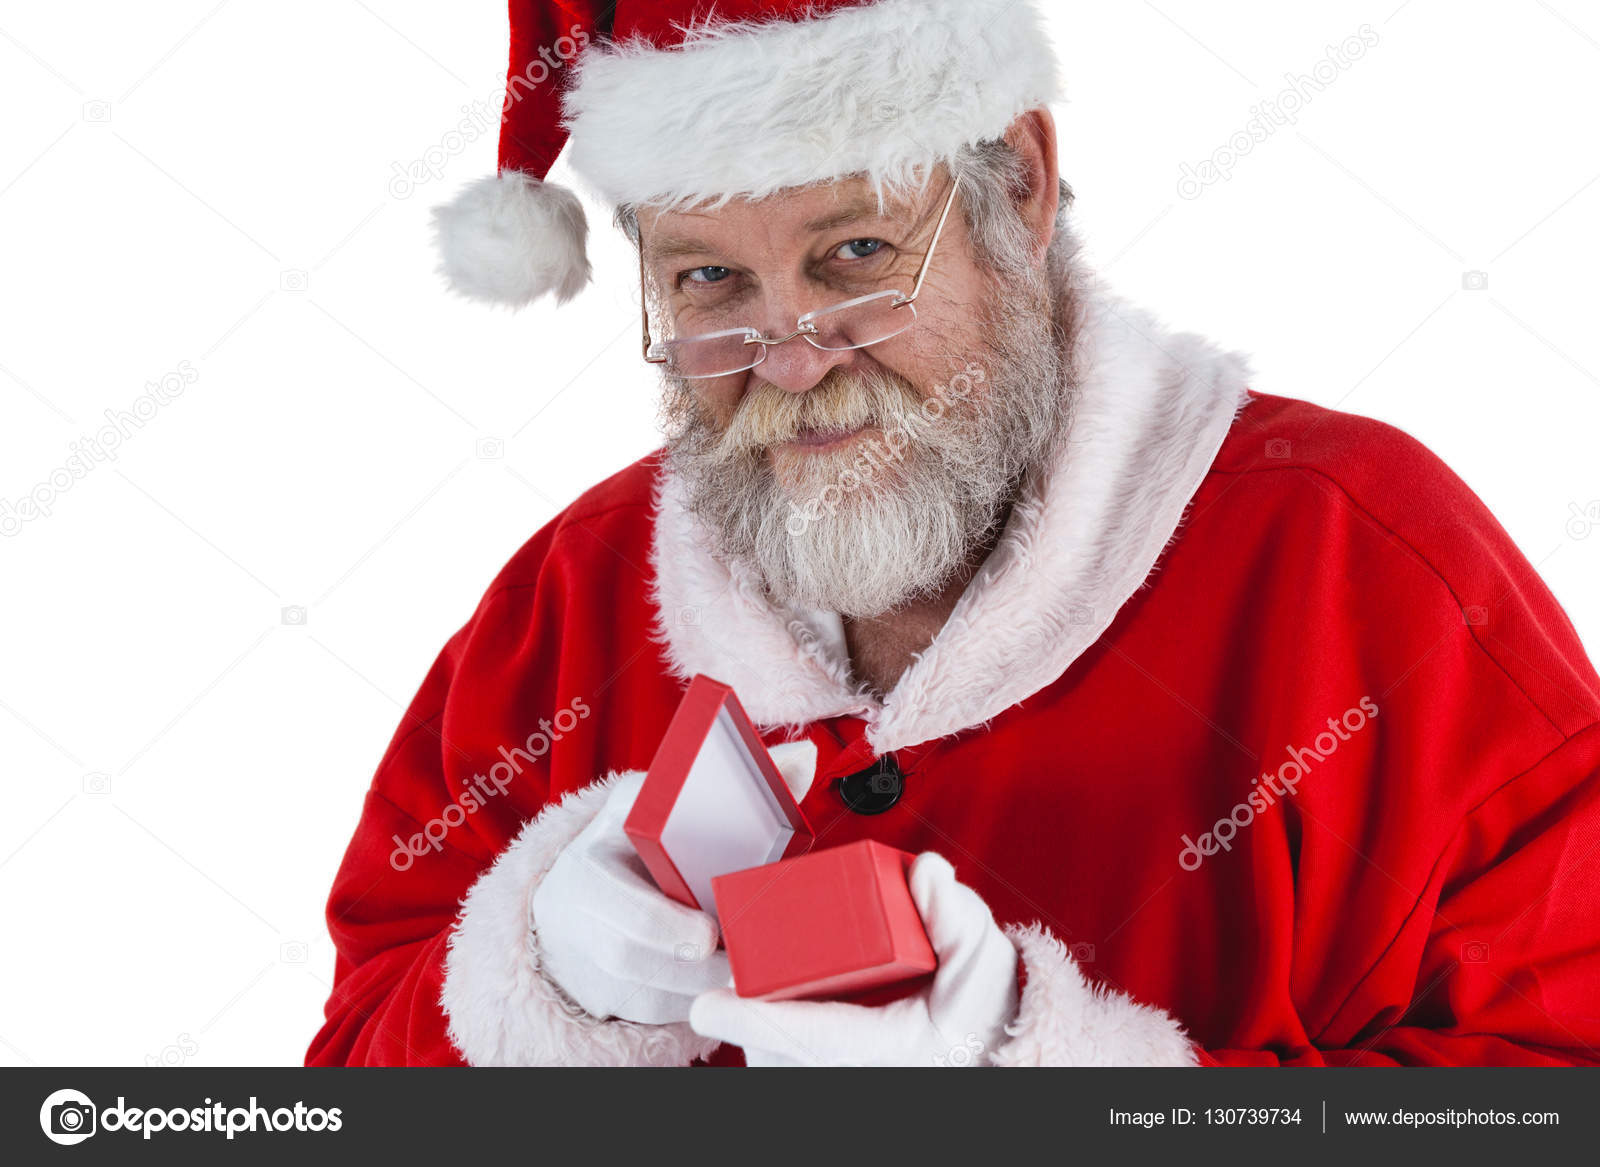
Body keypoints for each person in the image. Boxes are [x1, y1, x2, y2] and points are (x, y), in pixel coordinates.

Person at [306, 0, 1600, 1066]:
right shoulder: (570, 600)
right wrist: (537, 983)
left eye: (854, 253)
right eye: (711, 280)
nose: (793, 363)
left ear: (1022, 191)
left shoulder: (1360, 559)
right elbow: (354, 1069)